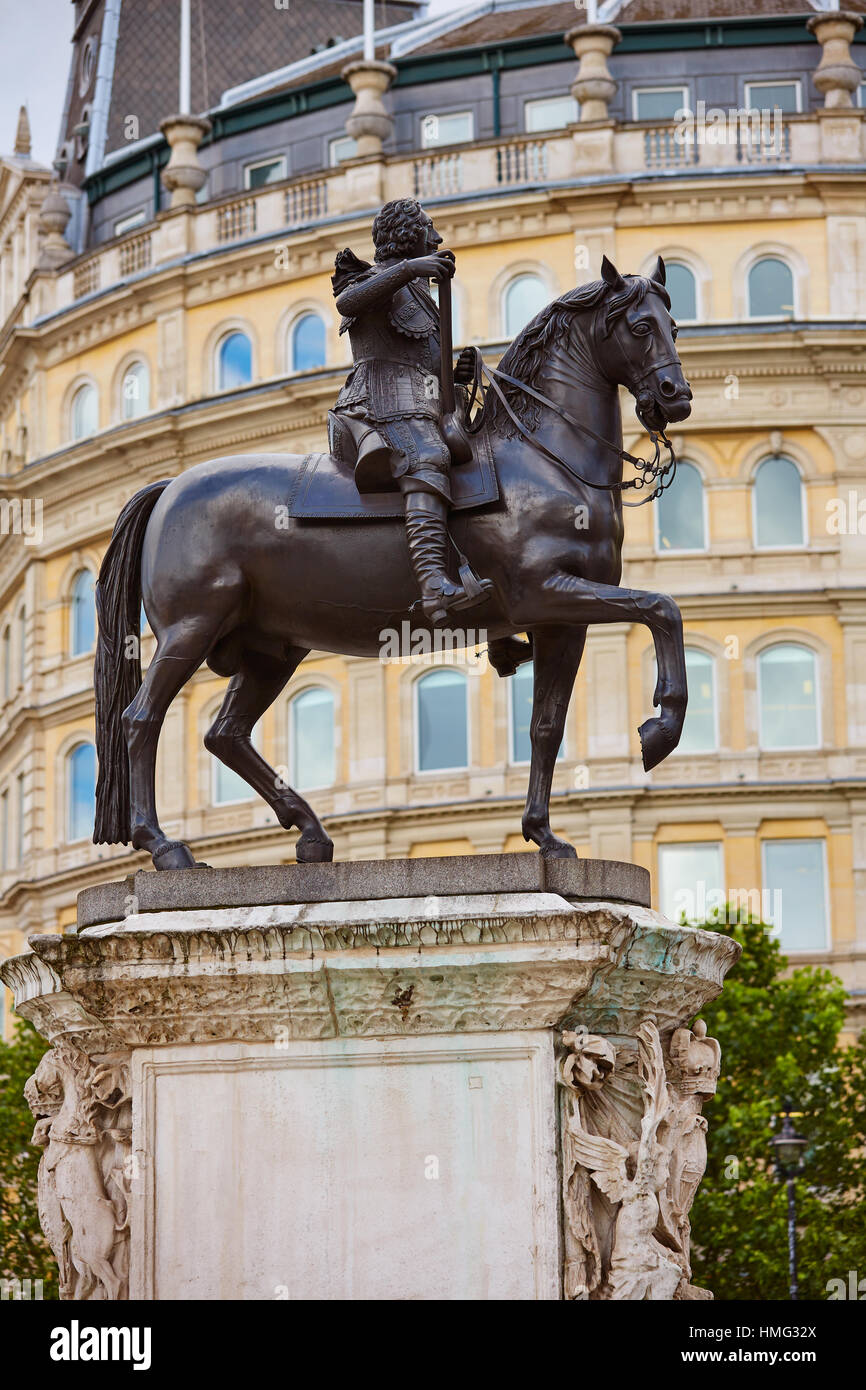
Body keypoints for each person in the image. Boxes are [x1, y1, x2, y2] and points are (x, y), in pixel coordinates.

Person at [331, 197, 491, 624]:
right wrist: (407, 269)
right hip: (378, 403)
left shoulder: (420, 295)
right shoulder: (370, 279)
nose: (436, 239)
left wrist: (458, 375)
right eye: (429, 229)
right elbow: (348, 305)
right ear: (407, 234)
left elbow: (425, 366)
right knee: (428, 457)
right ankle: (434, 585)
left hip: (419, 403)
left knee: (485, 466)